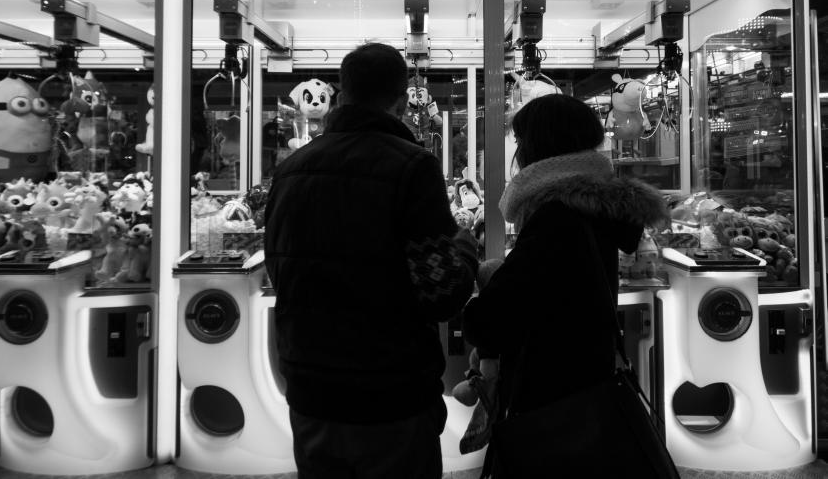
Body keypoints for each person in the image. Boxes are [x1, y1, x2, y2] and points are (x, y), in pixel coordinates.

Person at [264, 43, 479, 479]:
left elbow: (278, 269)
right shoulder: (413, 167)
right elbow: (440, 293)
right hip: (390, 390)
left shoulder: (292, 169)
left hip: (311, 387)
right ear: (401, 101)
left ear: (341, 96)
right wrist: (466, 250)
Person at [462, 93, 668, 477]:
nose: (518, 153)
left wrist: (481, 292)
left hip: (550, 395)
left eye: (521, 142)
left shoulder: (556, 216)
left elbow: (494, 318)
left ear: (540, 148)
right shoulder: (594, 211)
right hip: (589, 383)